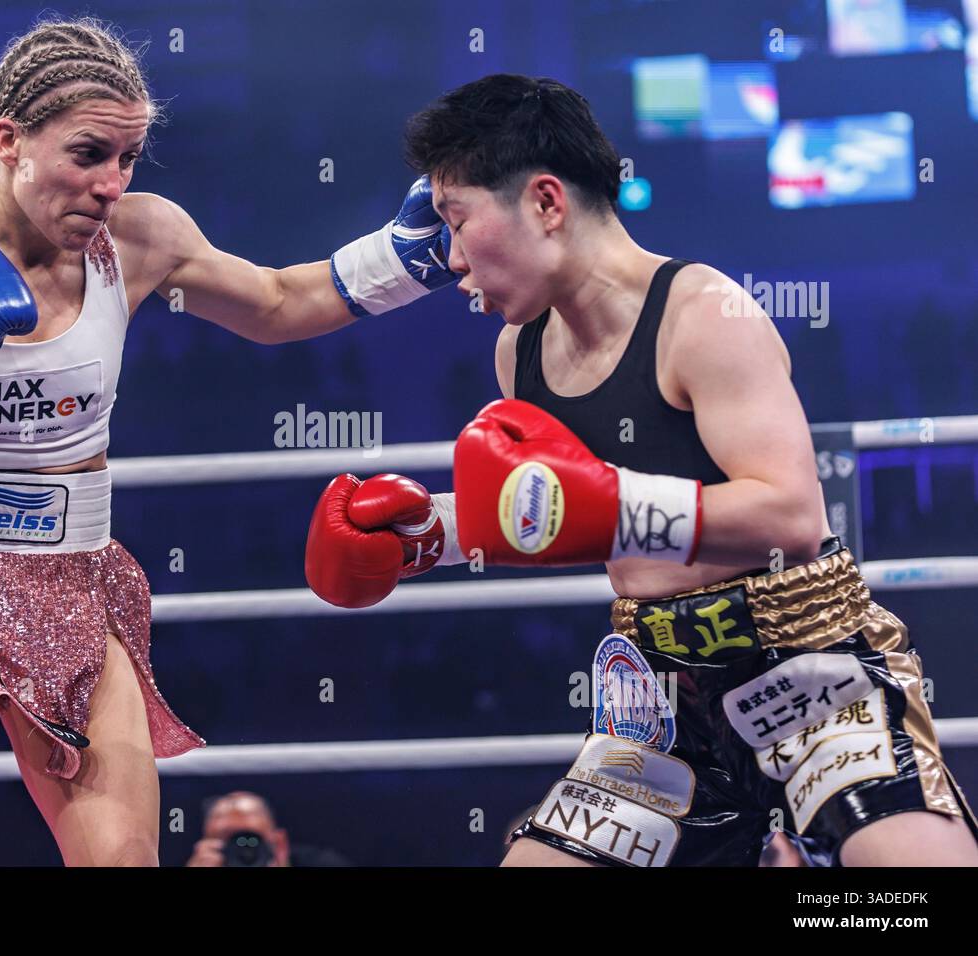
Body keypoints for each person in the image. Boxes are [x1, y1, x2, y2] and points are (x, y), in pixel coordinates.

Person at [0, 14, 453, 867]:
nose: (112, 184)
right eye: (88, 154)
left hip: (64, 567)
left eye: (127, 159)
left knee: (120, 856)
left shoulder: (140, 238)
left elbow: (274, 301)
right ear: (10, 141)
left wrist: (404, 260)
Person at [304, 74, 978, 867]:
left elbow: (791, 516)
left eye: (457, 221)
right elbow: (554, 511)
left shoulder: (704, 314)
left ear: (546, 203)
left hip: (809, 672)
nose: (450, 259)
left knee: (907, 879)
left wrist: (617, 505)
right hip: (657, 697)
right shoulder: (519, 350)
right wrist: (431, 535)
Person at [184, 791, 350, 867]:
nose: (244, 851)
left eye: (250, 838)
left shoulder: (322, 863)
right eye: (228, 840)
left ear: (279, 843)